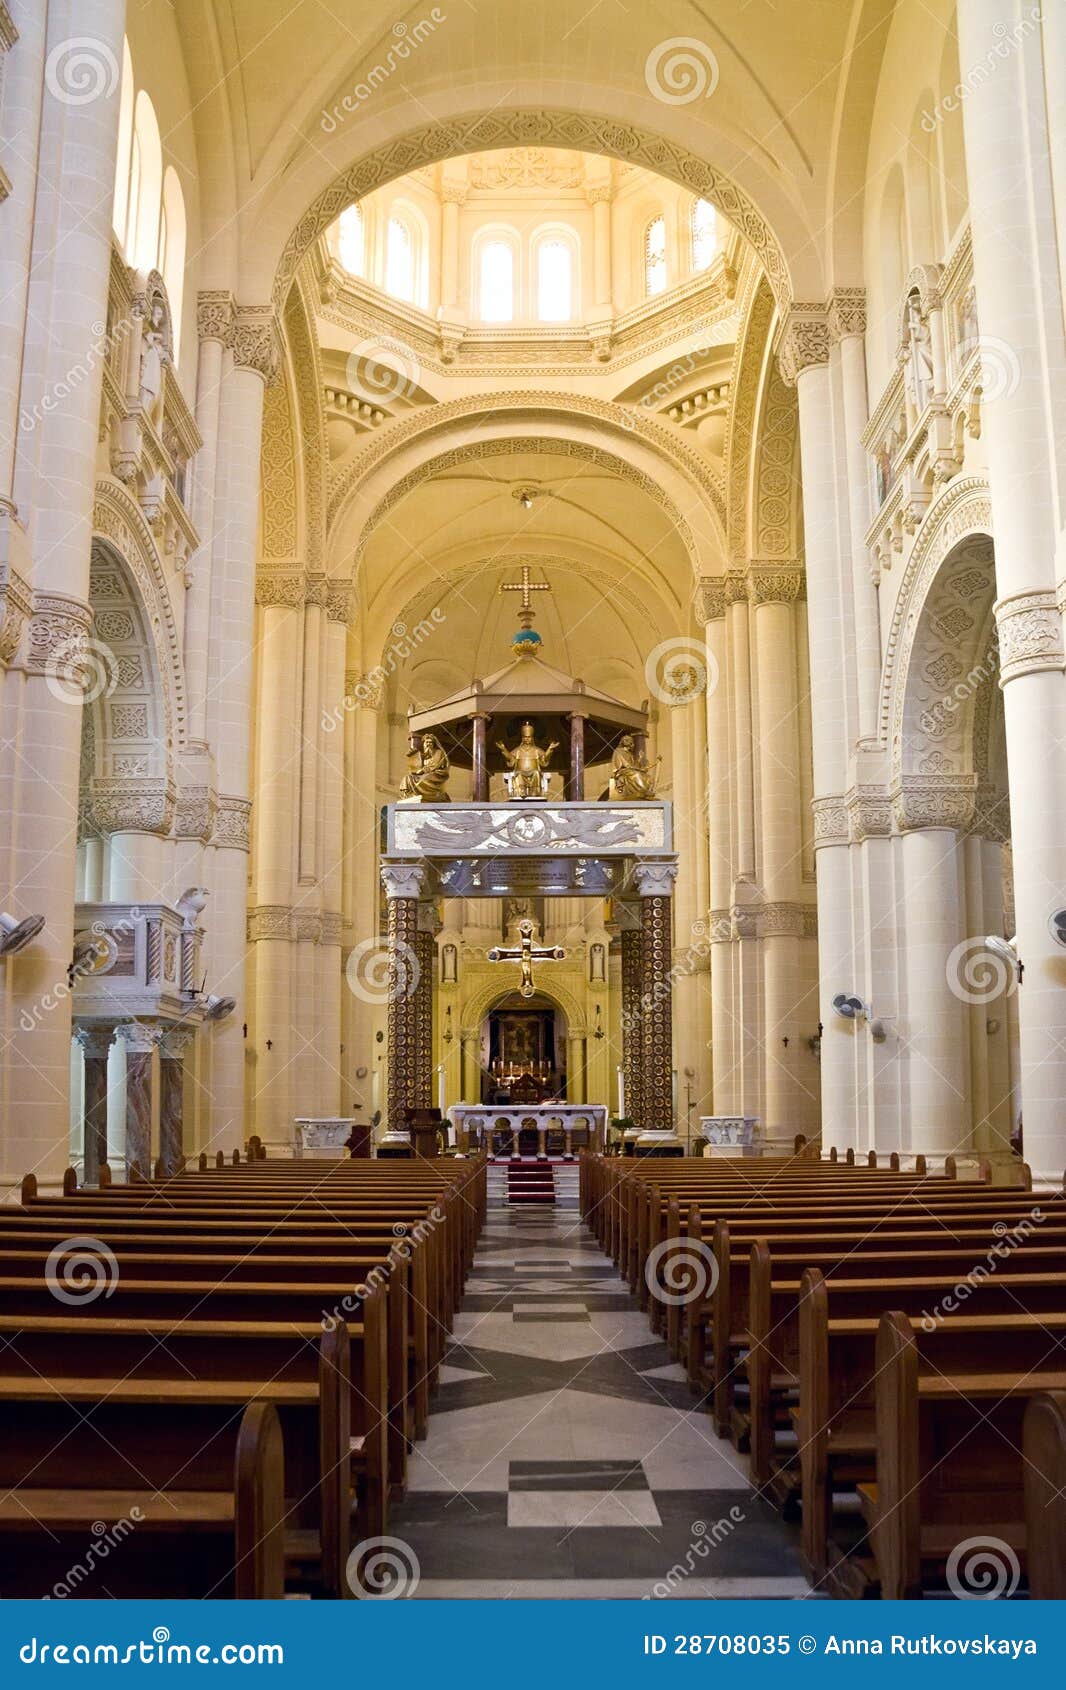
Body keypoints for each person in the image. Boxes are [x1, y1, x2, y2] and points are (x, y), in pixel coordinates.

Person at [497, 720, 558, 799]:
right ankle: (521, 792)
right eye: (525, 737)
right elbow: (511, 758)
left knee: (536, 772)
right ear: (522, 738)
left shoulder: (536, 749)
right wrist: (503, 749)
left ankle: (534, 793)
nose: (527, 739)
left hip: (534, 773)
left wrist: (550, 749)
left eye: (529, 737)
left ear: (532, 738)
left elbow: (544, 759)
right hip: (520, 772)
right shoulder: (518, 749)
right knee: (518, 773)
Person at [399, 733, 450, 800]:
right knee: (408, 778)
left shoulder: (438, 752)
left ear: (434, 744)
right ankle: (408, 794)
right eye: (427, 742)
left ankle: (432, 796)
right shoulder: (425, 756)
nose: (428, 744)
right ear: (424, 744)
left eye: (430, 742)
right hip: (426, 773)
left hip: (437, 774)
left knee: (424, 778)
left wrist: (423, 770)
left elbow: (434, 765)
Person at [609, 733, 660, 800]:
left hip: (630, 769)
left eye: (630, 741)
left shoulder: (630, 754)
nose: (629, 742)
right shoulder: (618, 751)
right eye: (627, 740)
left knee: (647, 776)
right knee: (637, 774)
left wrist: (640, 758)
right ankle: (643, 790)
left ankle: (645, 792)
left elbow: (633, 765)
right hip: (622, 771)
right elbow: (626, 765)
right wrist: (640, 770)